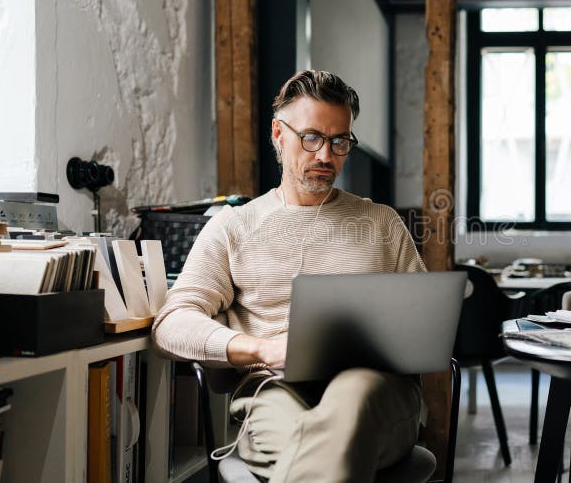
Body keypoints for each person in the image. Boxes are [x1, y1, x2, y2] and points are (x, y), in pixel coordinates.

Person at [152, 69, 427, 482]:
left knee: (351, 402)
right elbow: (171, 325)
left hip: (374, 390)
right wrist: (260, 349)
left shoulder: (381, 223)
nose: (325, 156)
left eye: (340, 141)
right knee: (327, 448)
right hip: (273, 391)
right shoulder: (234, 226)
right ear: (279, 135)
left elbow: (425, 323)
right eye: (312, 137)